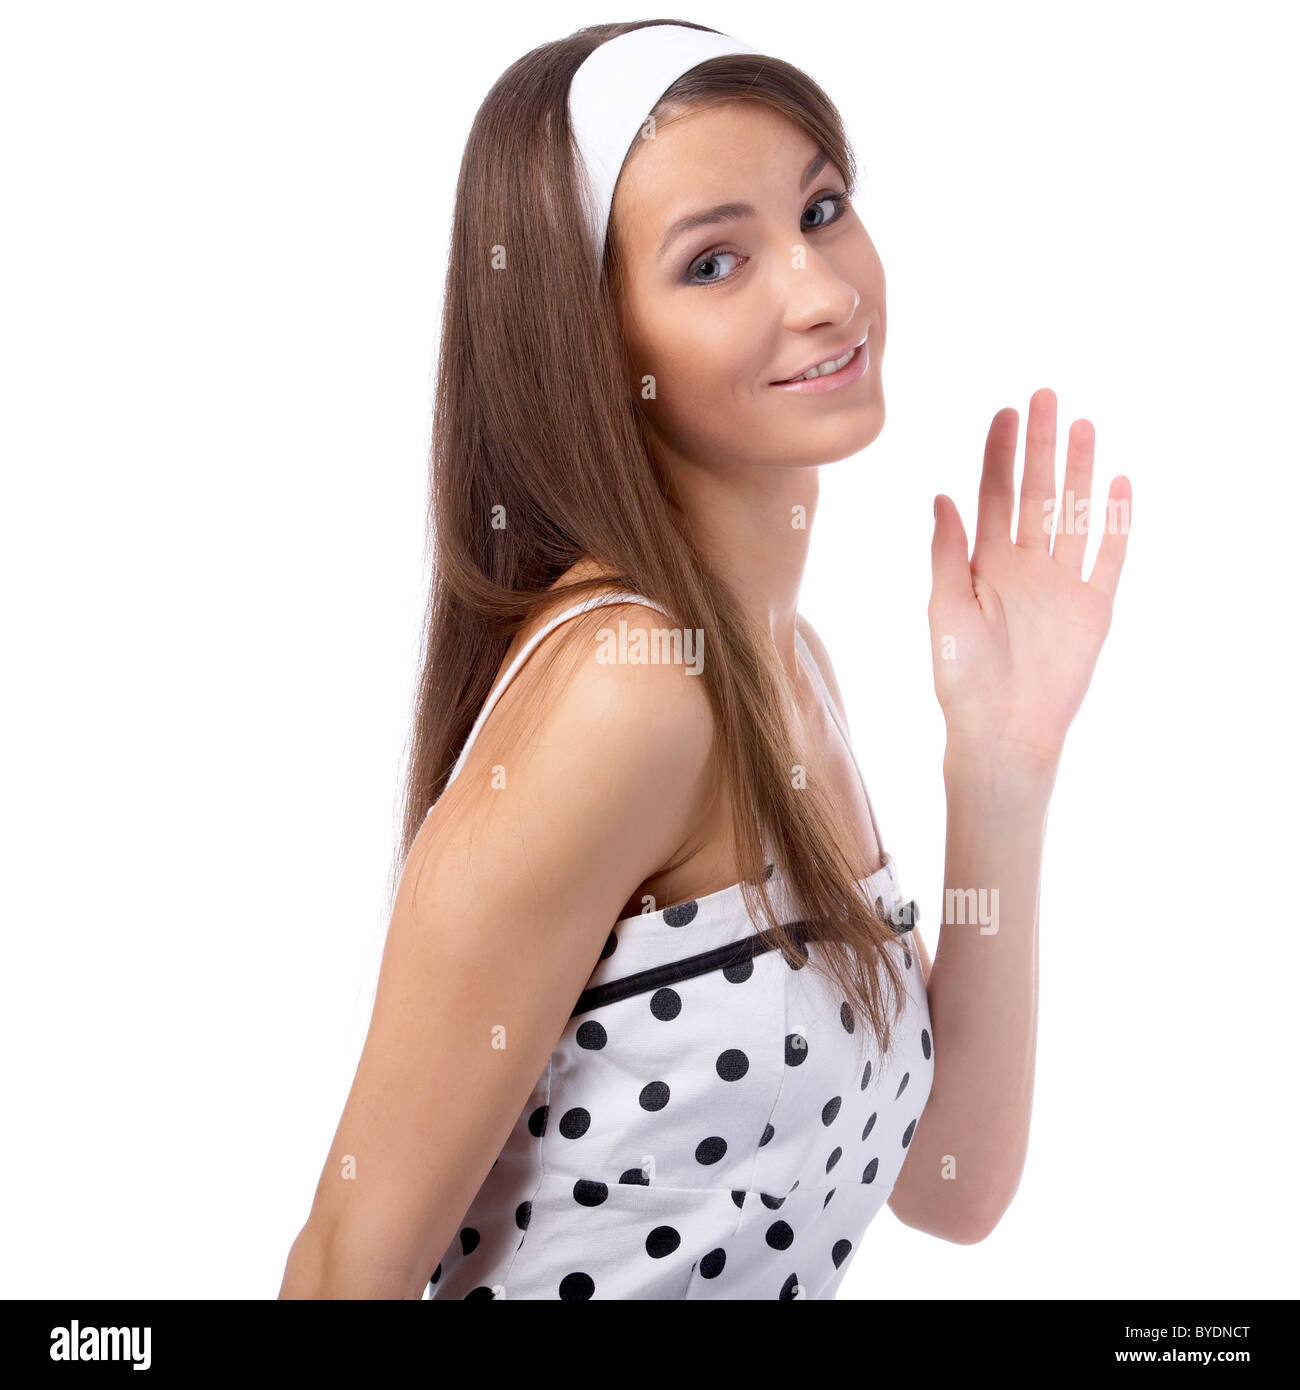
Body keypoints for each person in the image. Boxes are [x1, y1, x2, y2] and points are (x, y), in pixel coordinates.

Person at [278, 19, 1130, 1300]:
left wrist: (1001, 761)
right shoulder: (631, 690)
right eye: (716, 260)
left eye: (824, 206)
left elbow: (948, 1183)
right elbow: (346, 1268)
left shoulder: (793, 673)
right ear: (593, 341)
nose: (824, 290)